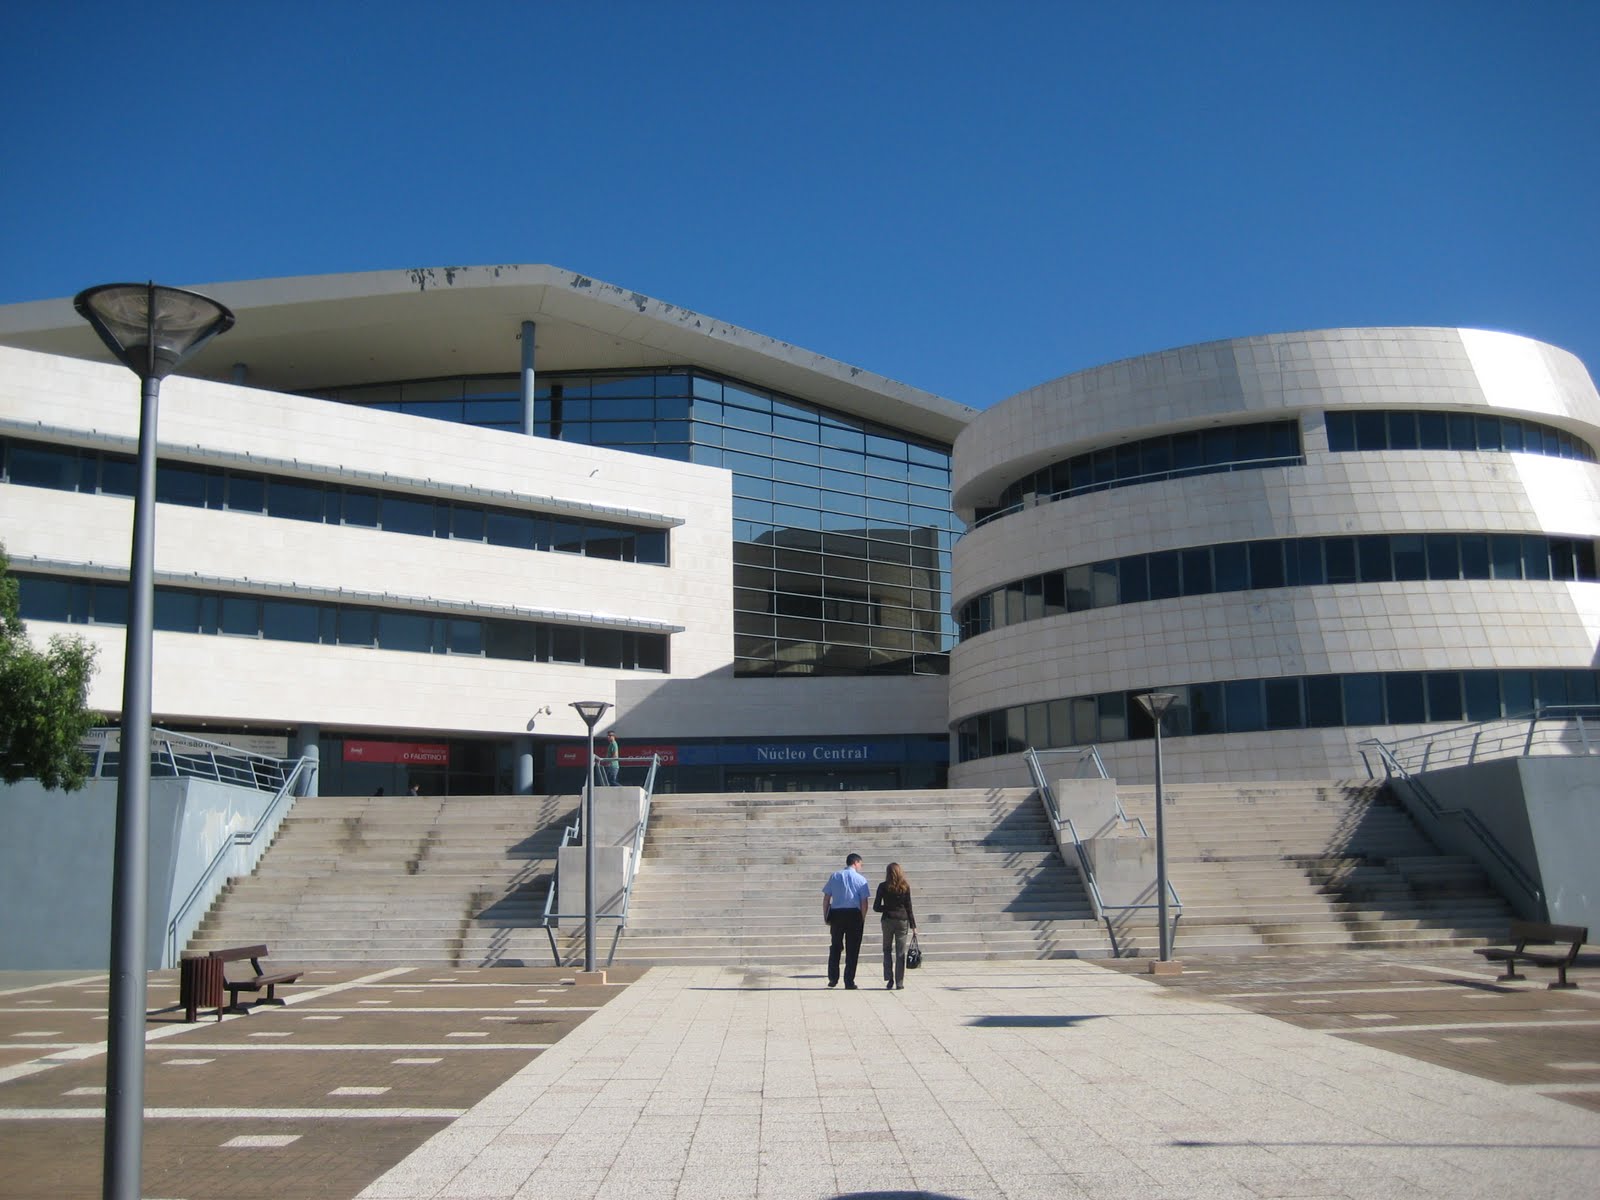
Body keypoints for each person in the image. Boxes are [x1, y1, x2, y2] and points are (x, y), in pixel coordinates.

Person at [821, 852, 871, 989]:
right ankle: (849, 981)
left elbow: (826, 898)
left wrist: (825, 915)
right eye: (860, 863)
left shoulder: (835, 876)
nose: (861, 866)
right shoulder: (861, 879)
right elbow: (864, 902)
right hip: (854, 914)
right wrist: (862, 917)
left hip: (837, 914)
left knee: (835, 946)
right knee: (852, 949)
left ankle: (833, 978)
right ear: (855, 863)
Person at [873, 862, 917, 990]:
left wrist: (887, 908)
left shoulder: (882, 886)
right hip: (902, 921)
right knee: (900, 952)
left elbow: (876, 907)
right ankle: (899, 982)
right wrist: (914, 926)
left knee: (887, 950)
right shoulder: (905, 886)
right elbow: (909, 907)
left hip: (887, 920)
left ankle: (889, 978)